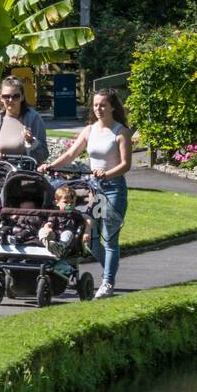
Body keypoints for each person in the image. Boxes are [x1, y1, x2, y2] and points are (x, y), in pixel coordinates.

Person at [43, 88, 131, 298]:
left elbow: (126, 165)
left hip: (113, 189)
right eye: (95, 105)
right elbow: (72, 153)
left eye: (102, 105)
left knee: (110, 238)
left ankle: (108, 282)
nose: (98, 109)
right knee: (89, 239)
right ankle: (111, 267)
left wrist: (106, 174)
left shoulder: (120, 132)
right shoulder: (90, 130)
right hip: (92, 189)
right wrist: (51, 166)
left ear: (112, 107)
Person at [0, 77, 49, 166]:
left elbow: (43, 155)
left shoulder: (33, 118)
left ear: (22, 97)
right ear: (0, 98)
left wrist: (31, 142)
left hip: (24, 174)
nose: (11, 100)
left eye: (15, 96)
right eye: (6, 97)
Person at [39, 183, 89, 257]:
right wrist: (47, 228)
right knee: (42, 230)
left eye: (72, 202)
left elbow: (87, 219)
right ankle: (50, 244)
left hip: (67, 232)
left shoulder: (75, 213)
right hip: (54, 233)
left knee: (68, 233)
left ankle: (60, 248)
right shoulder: (55, 212)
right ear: (56, 203)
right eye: (66, 202)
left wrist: (87, 232)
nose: (69, 205)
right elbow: (50, 222)